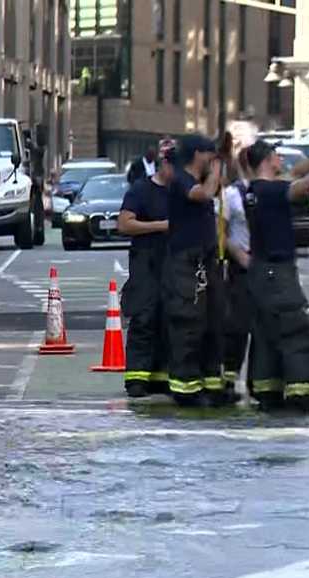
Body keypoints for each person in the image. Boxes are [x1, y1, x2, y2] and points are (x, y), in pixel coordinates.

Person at [242, 141, 309, 413]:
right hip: (278, 273)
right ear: (267, 160)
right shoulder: (272, 190)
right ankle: (301, 395)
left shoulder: (256, 189)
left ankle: (268, 392)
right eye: (276, 155)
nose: (280, 159)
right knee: (296, 330)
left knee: (266, 332)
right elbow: (302, 185)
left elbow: (295, 174)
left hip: (260, 272)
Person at [163, 135, 226, 406]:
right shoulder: (181, 180)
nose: (212, 159)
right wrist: (216, 172)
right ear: (197, 154)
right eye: (209, 154)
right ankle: (185, 389)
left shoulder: (198, 179)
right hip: (186, 263)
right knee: (188, 322)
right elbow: (203, 195)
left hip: (205, 258)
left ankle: (211, 384)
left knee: (212, 321)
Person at [117, 138, 175, 398]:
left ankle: (161, 375)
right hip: (145, 261)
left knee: (169, 317)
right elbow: (125, 224)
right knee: (144, 317)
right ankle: (137, 378)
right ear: (162, 164)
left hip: (173, 262)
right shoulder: (140, 190)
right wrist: (160, 226)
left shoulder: (181, 193)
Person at [221, 148, 253, 400]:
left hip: (265, 265)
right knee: (237, 326)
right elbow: (221, 232)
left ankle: (262, 382)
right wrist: (240, 256)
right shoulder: (232, 195)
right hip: (241, 266)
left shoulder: (269, 190)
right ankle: (230, 377)